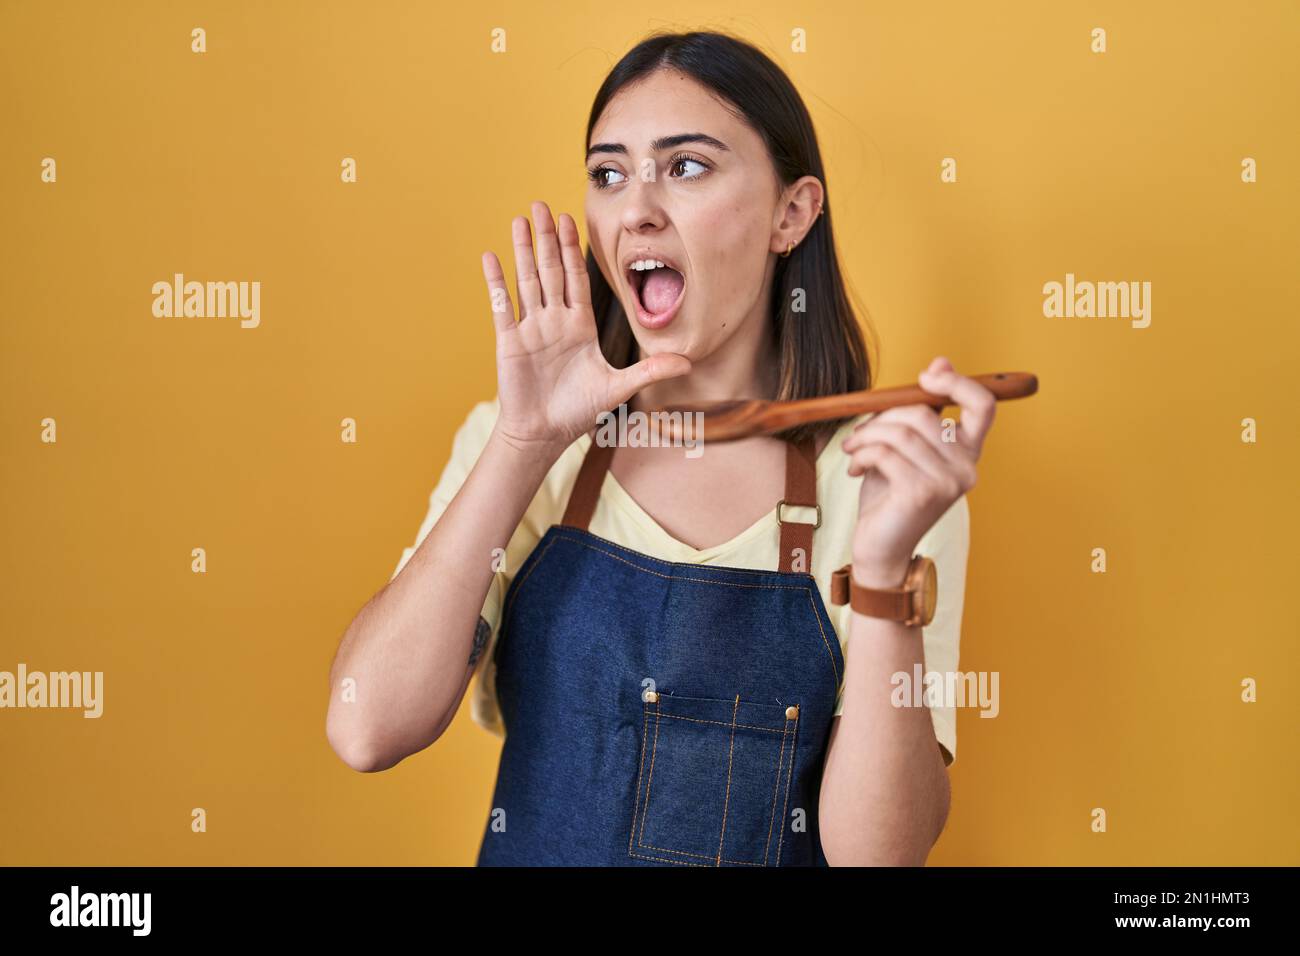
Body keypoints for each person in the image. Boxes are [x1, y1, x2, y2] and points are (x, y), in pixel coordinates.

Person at [326, 30, 996, 866]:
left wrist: (888, 573)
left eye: (685, 166)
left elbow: (877, 857)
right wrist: (523, 441)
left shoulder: (887, 480)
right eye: (610, 174)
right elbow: (366, 727)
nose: (636, 208)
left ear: (793, 213)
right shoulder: (530, 449)